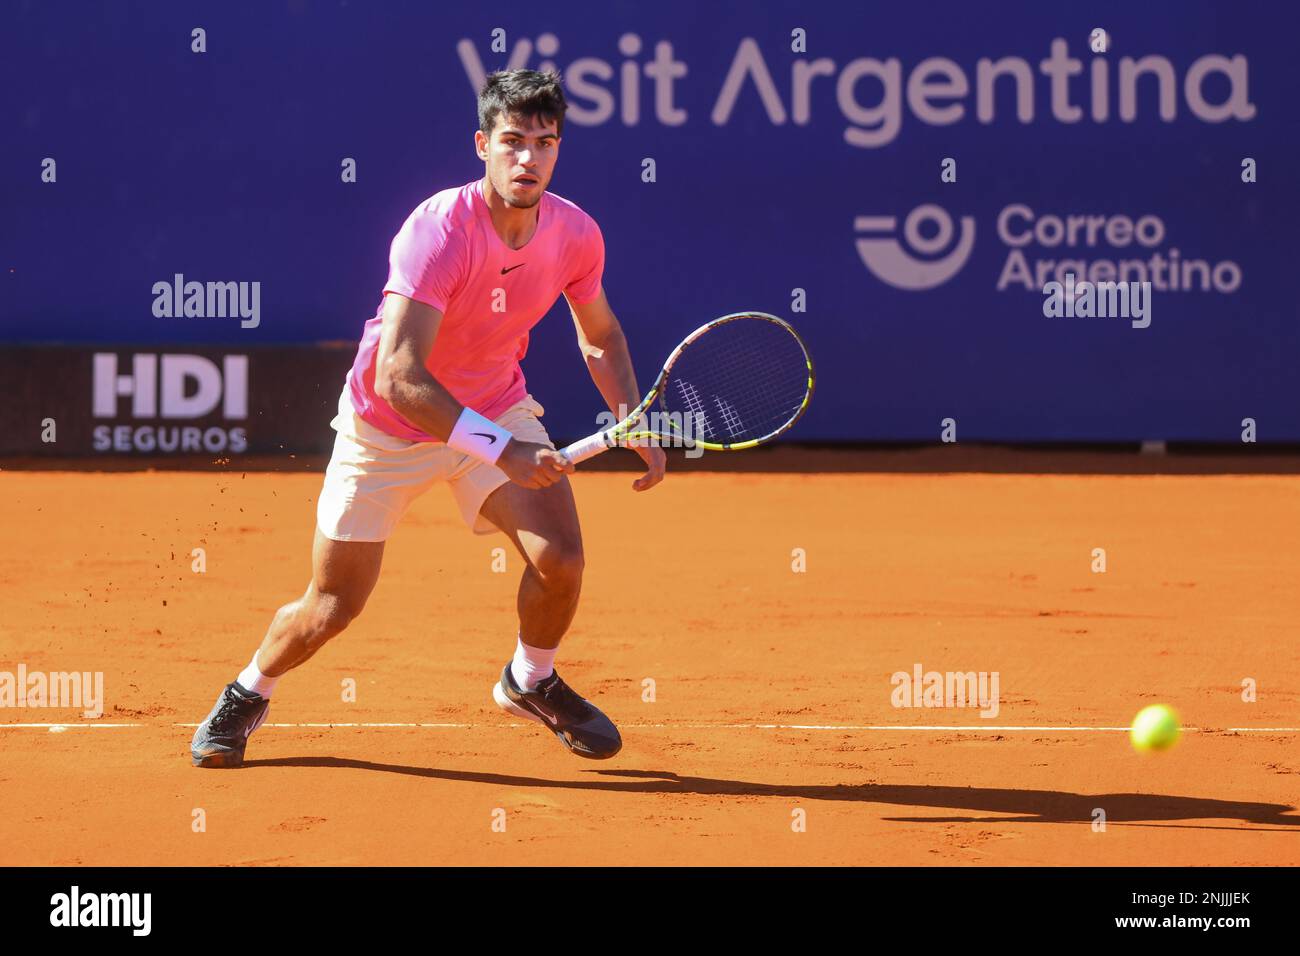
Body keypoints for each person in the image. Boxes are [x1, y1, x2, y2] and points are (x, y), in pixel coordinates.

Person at [190, 69, 666, 768]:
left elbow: (601, 336)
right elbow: (400, 375)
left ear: (559, 150)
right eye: (513, 141)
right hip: (388, 426)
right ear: (482, 145)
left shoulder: (574, 234)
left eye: (544, 142)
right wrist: (502, 450)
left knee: (560, 557)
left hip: (494, 403)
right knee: (331, 606)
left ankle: (530, 680)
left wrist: (631, 419)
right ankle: (247, 690)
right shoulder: (439, 230)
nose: (529, 158)